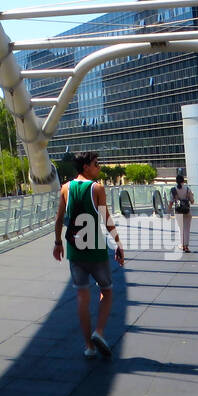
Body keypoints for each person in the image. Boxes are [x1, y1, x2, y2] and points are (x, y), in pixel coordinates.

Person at [54, 151, 125, 359]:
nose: (99, 167)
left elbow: (59, 219)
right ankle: (99, 331)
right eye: (96, 164)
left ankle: (88, 346)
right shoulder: (97, 188)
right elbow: (107, 219)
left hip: (75, 251)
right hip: (95, 250)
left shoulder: (66, 188)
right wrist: (118, 244)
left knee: (82, 297)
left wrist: (58, 243)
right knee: (108, 291)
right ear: (85, 167)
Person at [168, 173, 194, 253]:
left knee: (181, 228)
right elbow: (192, 201)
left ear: (176, 181)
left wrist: (168, 211)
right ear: (183, 181)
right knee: (187, 229)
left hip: (178, 211)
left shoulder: (173, 190)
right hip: (187, 211)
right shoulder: (187, 189)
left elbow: (171, 202)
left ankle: (182, 245)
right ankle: (186, 246)